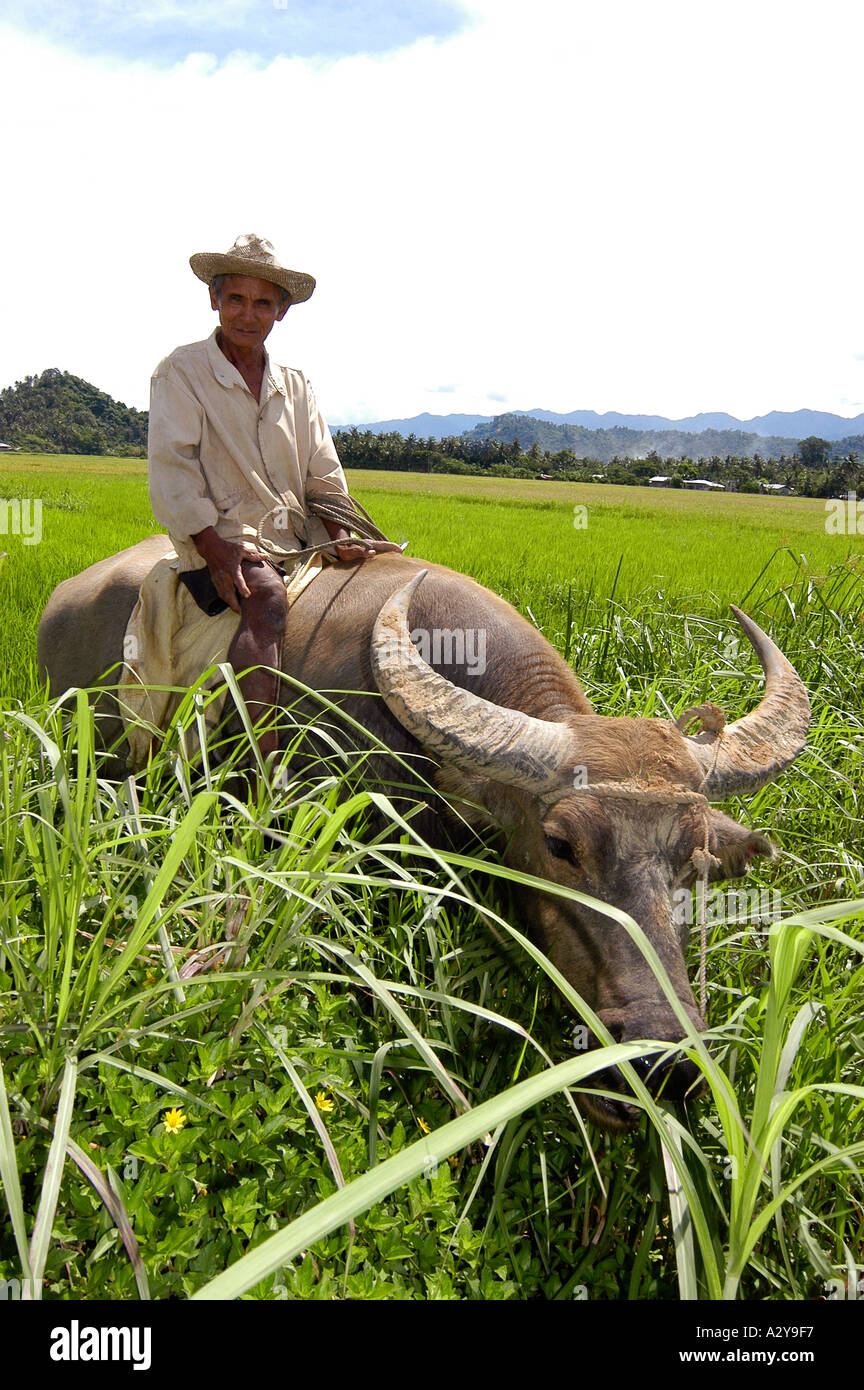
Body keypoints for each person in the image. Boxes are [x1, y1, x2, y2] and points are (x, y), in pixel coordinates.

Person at [147, 232, 396, 760]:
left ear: (281, 311)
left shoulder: (296, 386)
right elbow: (174, 472)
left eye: (263, 302)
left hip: (297, 542)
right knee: (267, 599)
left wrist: (344, 535)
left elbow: (323, 476)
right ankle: (254, 759)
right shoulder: (182, 372)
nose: (247, 314)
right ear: (214, 300)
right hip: (224, 541)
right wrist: (216, 551)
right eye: (235, 298)